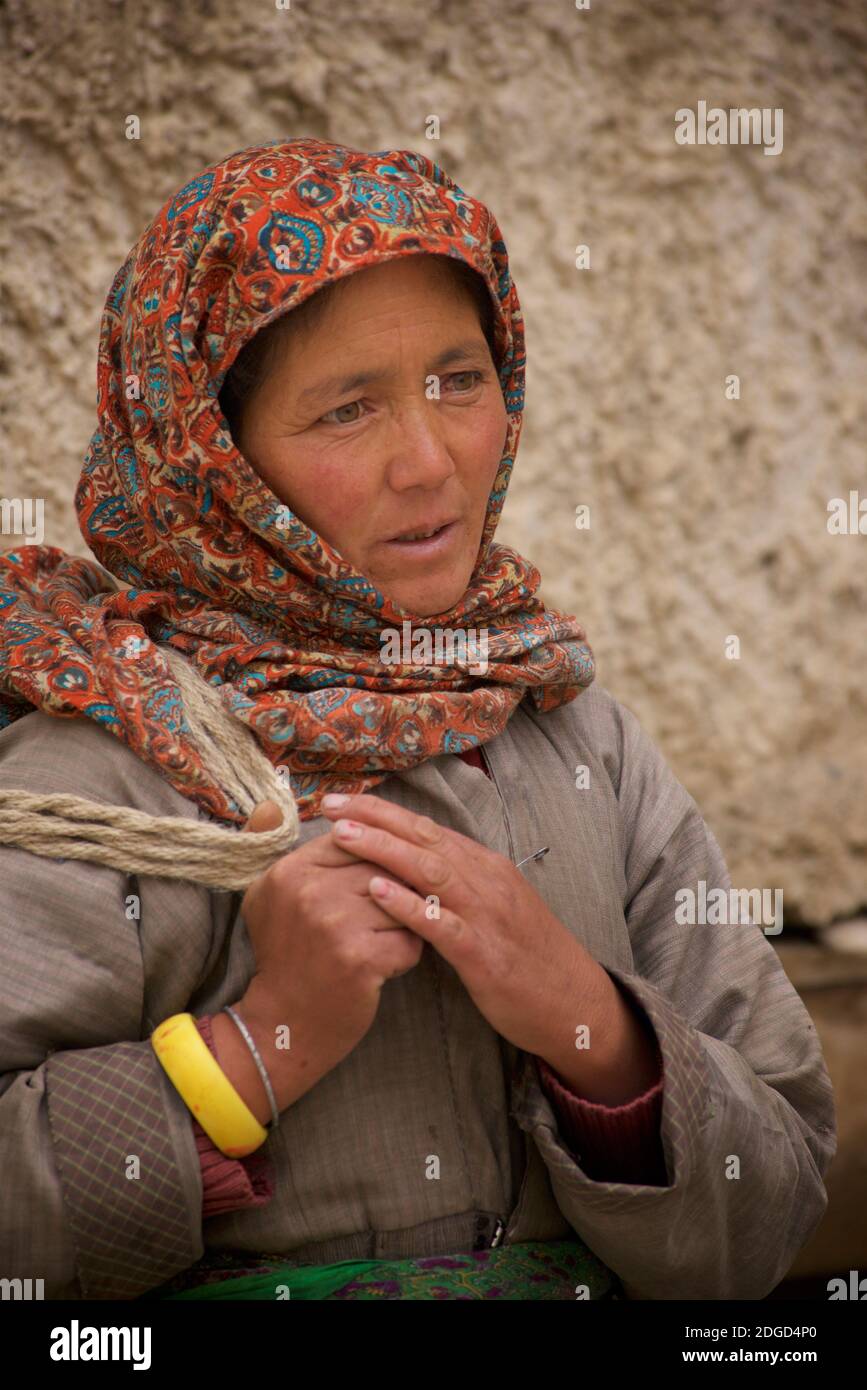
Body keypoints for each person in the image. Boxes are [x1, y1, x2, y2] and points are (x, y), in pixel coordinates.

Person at [0, 138, 835, 1302]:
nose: (431, 461)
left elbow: (777, 1207)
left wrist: (592, 1026)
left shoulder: (581, 745)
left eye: (459, 379)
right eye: (347, 410)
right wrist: (257, 1045)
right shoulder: (102, 779)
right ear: (210, 459)